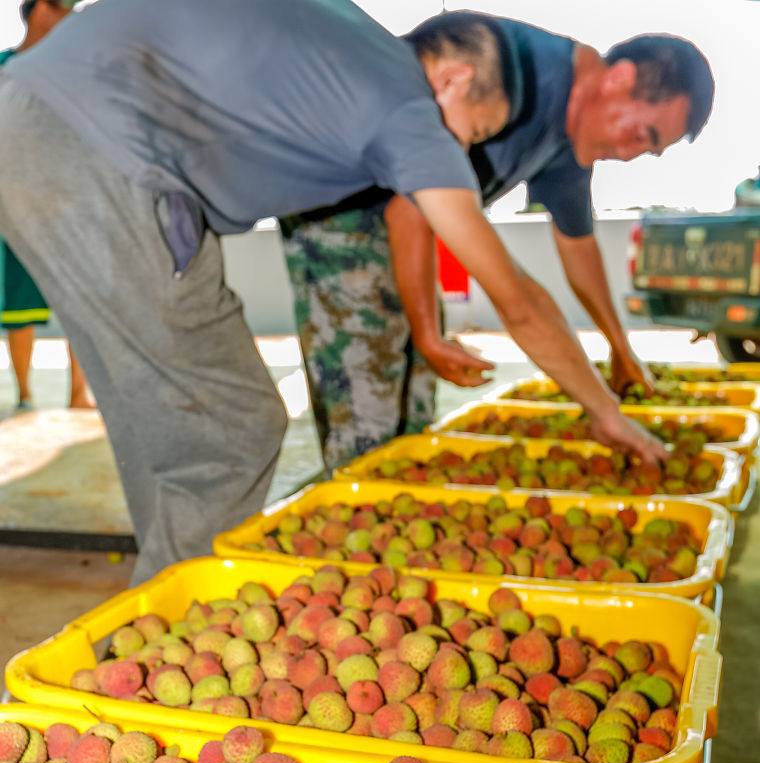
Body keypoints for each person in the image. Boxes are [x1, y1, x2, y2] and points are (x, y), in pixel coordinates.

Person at [0, 0, 669, 585]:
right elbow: (516, 298)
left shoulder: (347, 40)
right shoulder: (409, 106)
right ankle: (158, 637)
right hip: (101, 151)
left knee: (160, 415)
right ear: (453, 78)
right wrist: (602, 410)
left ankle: (159, 595)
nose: (459, 157)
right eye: (472, 135)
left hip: (29, 111)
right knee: (237, 426)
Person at [282, 14, 715, 468]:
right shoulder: (517, 76)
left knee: (412, 409)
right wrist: (428, 333)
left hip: (407, 223)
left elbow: (578, 247)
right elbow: (411, 212)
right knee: (369, 403)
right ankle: (356, 503)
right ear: (620, 79)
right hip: (344, 211)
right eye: (639, 135)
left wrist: (620, 349)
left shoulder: (573, 139)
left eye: (646, 151)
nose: (628, 155)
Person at [0, 0, 92, 411]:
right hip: (14, 207)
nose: (73, 18)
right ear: (41, 10)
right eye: (66, 9)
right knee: (18, 307)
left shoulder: (73, 71)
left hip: (72, 205)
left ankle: (79, 396)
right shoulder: (3, 67)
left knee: (85, 308)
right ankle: (25, 396)